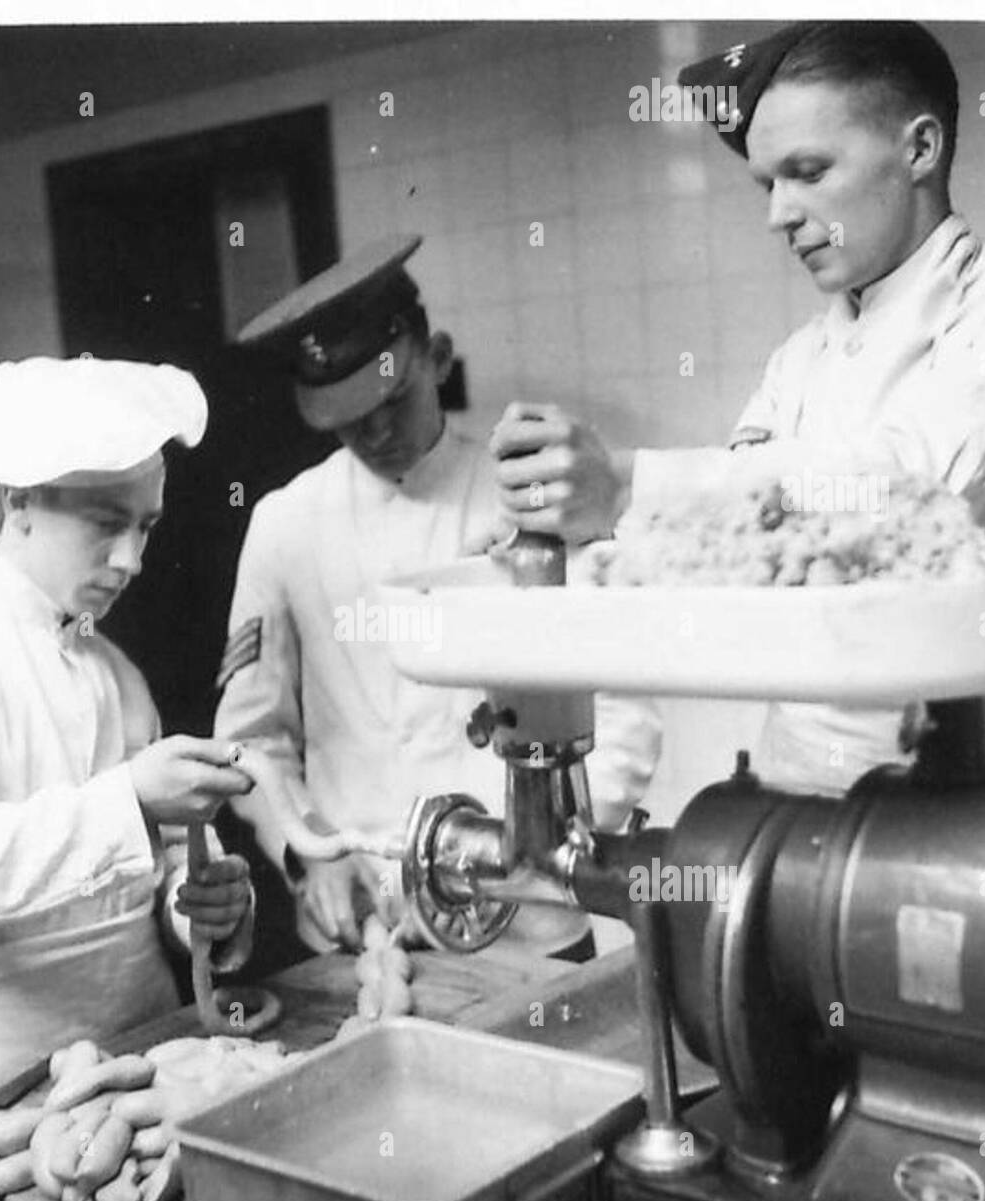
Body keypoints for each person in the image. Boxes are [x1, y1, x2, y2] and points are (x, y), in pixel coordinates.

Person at [488, 20, 985, 792]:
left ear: (921, 148)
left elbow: (897, 488)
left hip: (976, 792)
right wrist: (572, 538)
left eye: (807, 171)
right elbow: (734, 547)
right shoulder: (799, 361)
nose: (779, 214)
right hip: (792, 780)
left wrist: (626, 486)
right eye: (769, 184)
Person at [214, 235, 662, 957]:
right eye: (349, 423)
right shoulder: (284, 523)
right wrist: (309, 852)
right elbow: (248, 737)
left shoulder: (533, 494)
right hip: (363, 925)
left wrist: (535, 854)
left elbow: (626, 707)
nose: (379, 431)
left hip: (527, 925)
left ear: (438, 357)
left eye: (393, 398)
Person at [0, 356, 257, 1119]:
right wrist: (127, 802)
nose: (131, 558)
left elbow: (152, 872)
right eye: (105, 524)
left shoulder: (117, 673)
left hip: (149, 1055)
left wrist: (198, 908)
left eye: (146, 526)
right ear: (21, 503)